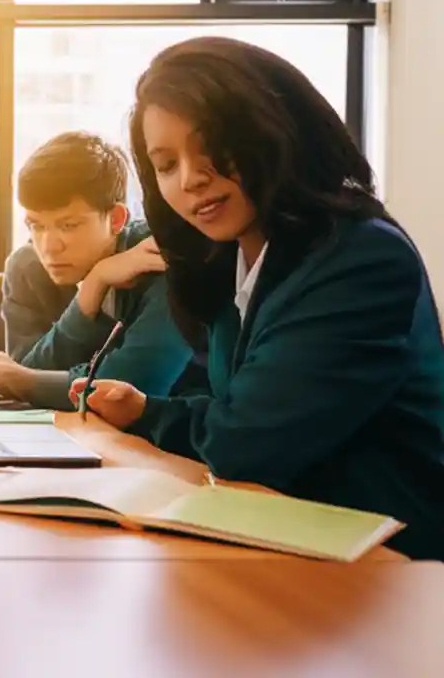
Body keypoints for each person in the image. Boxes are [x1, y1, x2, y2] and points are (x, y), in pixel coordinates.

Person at [69, 36, 444, 560]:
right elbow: (243, 410)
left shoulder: (361, 258)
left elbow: (245, 447)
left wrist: (163, 420)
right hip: (289, 541)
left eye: (213, 146)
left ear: (275, 129)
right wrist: (146, 412)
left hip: (390, 570)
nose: (193, 179)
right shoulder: (236, 257)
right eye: (167, 163)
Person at [0, 131, 197, 410]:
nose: (49, 246)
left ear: (116, 219)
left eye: (69, 225)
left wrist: (23, 380)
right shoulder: (28, 267)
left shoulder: (160, 257)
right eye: (36, 225)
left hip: (177, 444)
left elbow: (130, 386)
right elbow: (26, 375)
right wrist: (92, 288)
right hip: (77, 438)